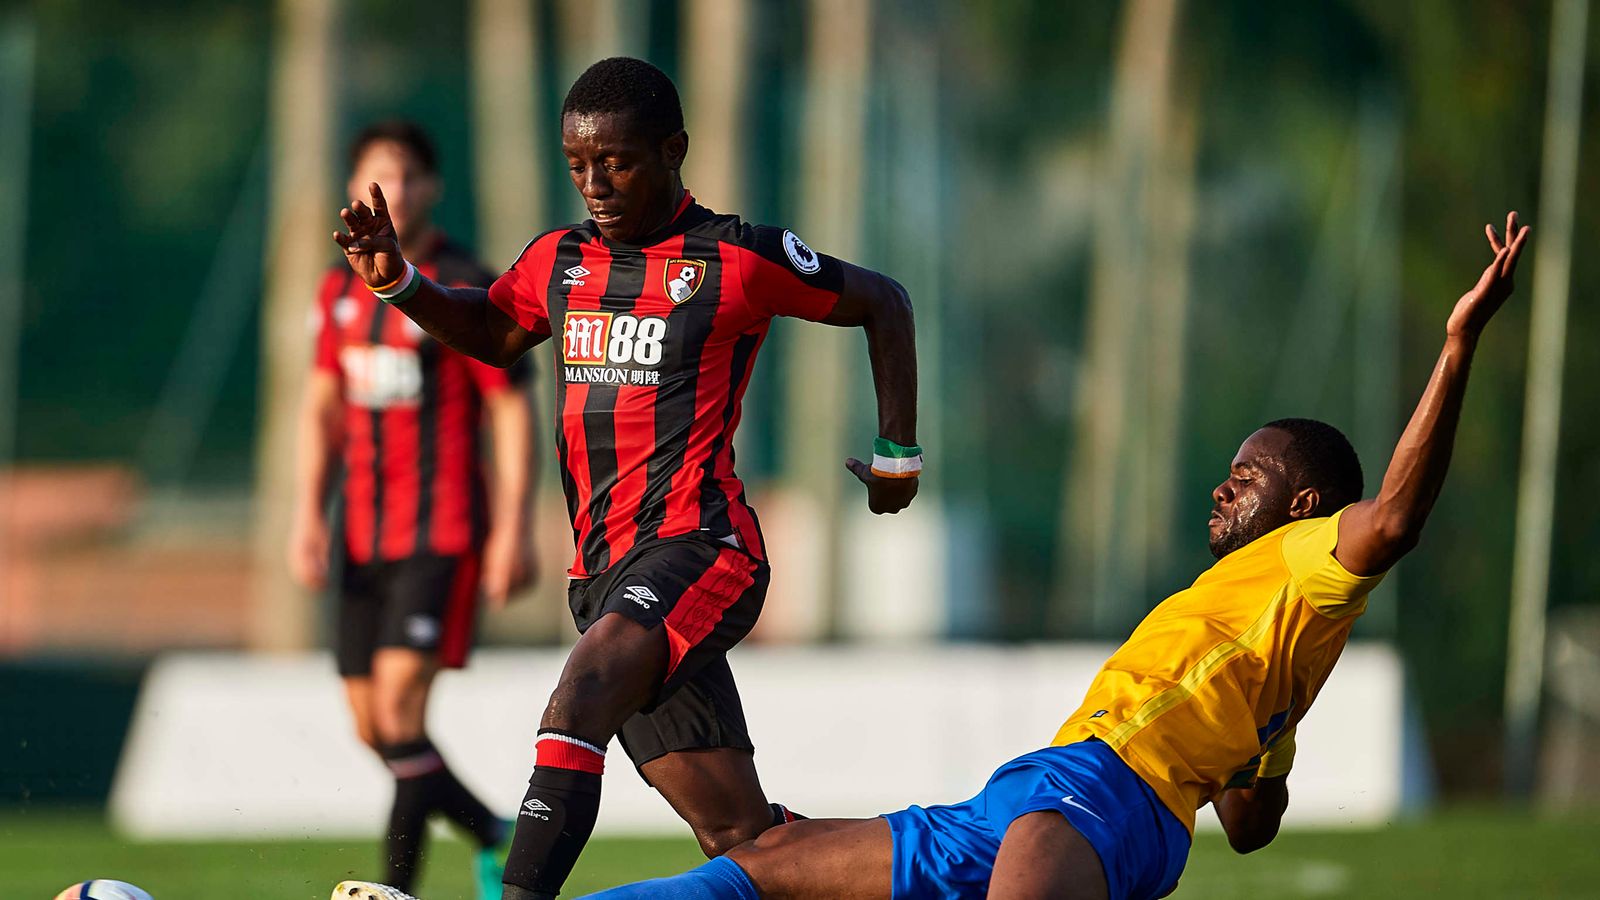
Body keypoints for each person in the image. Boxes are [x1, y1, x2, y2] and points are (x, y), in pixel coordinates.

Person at [574, 213, 1530, 900]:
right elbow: (1247, 831)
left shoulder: (1312, 563)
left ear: (1311, 506)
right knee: (760, 870)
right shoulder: (1274, 635)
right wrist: (1263, 747)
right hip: (1036, 785)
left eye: (1251, 474)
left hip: (1107, 799)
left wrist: (1456, 344)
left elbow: (1397, 519)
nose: (1223, 486)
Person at [332, 58, 921, 900]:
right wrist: (400, 282)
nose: (594, 183)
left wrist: (899, 456)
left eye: (616, 161)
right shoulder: (559, 260)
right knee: (743, 840)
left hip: (700, 547)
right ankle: (940, 867)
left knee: (580, 697)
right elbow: (496, 332)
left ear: (673, 149)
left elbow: (883, 301)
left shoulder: (736, 258)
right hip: (603, 575)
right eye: (577, 164)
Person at [289, 120, 538, 899]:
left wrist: (514, 528)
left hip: (443, 530)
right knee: (375, 726)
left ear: (429, 188)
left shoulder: (465, 279)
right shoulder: (337, 290)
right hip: (360, 532)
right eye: (369, 175)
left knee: (399, 706)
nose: (384, 192)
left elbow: (508, 409)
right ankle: (493, 832)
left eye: (398, 176)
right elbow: (321, 403)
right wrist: (305, 514)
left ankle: (396, 890)